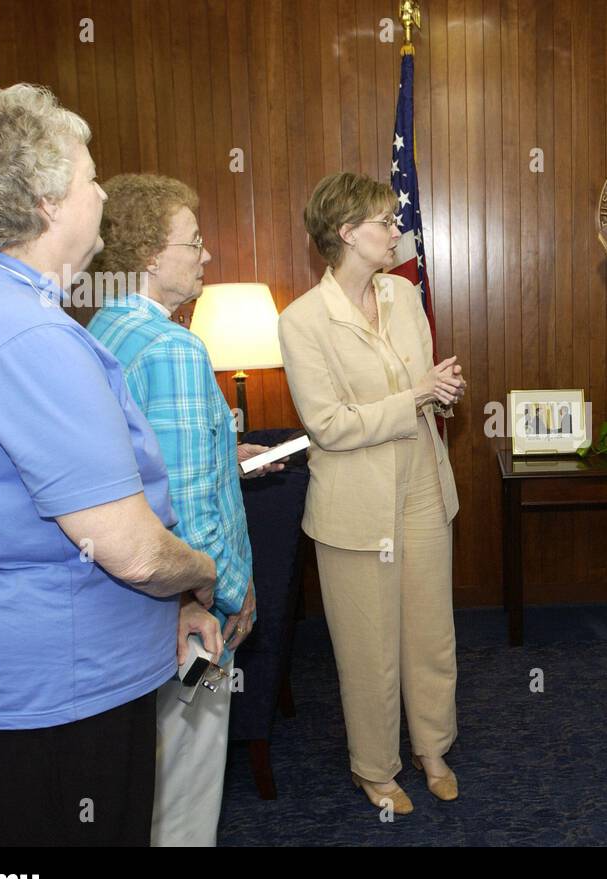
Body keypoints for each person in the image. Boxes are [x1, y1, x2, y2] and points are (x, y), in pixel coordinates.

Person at [0, 83, 218, 846]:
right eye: (89, 177)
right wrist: (200, 573)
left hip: (4, 684)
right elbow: (135, 551)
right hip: (50, 701)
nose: (103, 191)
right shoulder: (29, 336)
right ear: (48, 203)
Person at [88, 173, 279, 845]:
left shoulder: (102, 329)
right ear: (147, 254)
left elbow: (149, 467)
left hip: (127, 606)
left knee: (147, 779)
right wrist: (225, 592)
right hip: (189, 613)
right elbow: (191, 508)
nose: (206, 256)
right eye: (193, 242)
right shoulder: (175, 346)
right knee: (189, 784)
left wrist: (228, 450)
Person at [279, 172, 465, 814]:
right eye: (385, 223)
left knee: (430, 632)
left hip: (422, 485)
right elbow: (327, 425)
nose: (396, 232)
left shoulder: (404, 297)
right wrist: (414, 397)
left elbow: (419, 390)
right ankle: (376, 767)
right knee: (368, 646)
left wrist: (439, 390)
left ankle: (433, 747)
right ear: (345, 232)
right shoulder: (302, 320)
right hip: (354, 503)